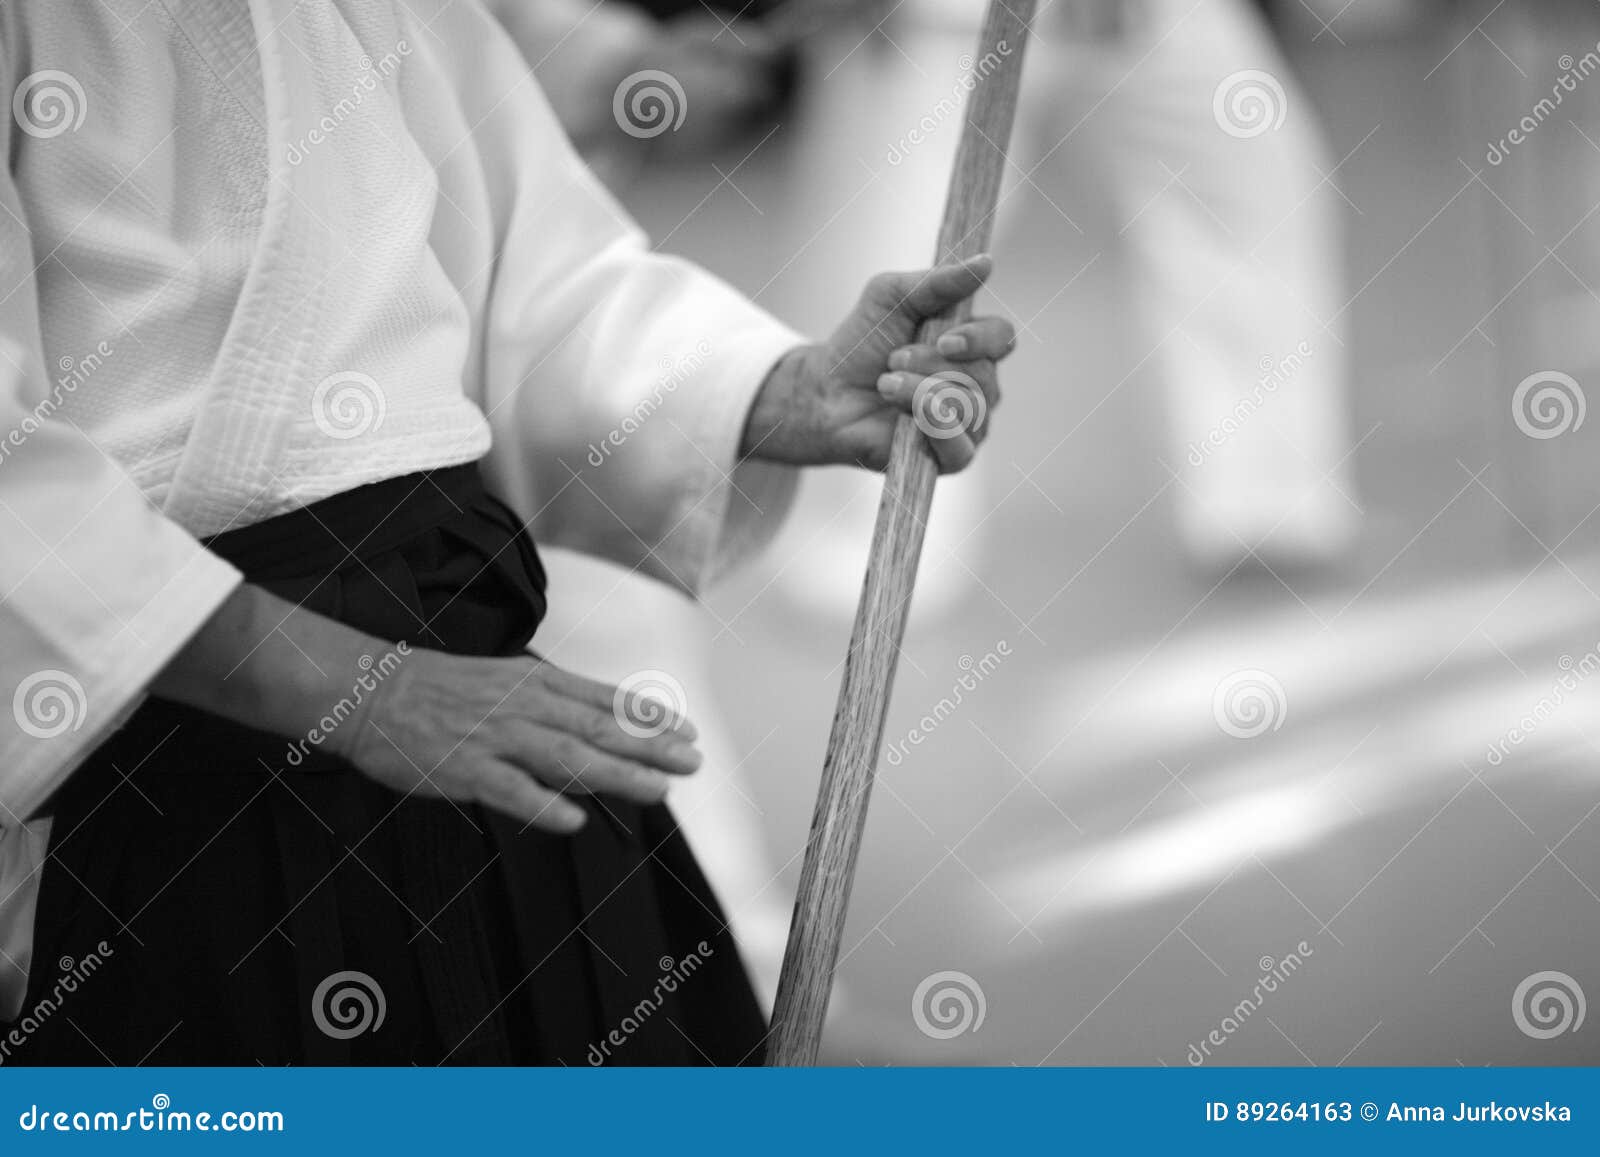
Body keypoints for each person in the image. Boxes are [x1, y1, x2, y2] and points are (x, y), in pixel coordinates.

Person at [0, 0, 1013, 1065]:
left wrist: (783, 390)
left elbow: (533, 280)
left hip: (473, 689)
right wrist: (360, 693)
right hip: (180, 732)